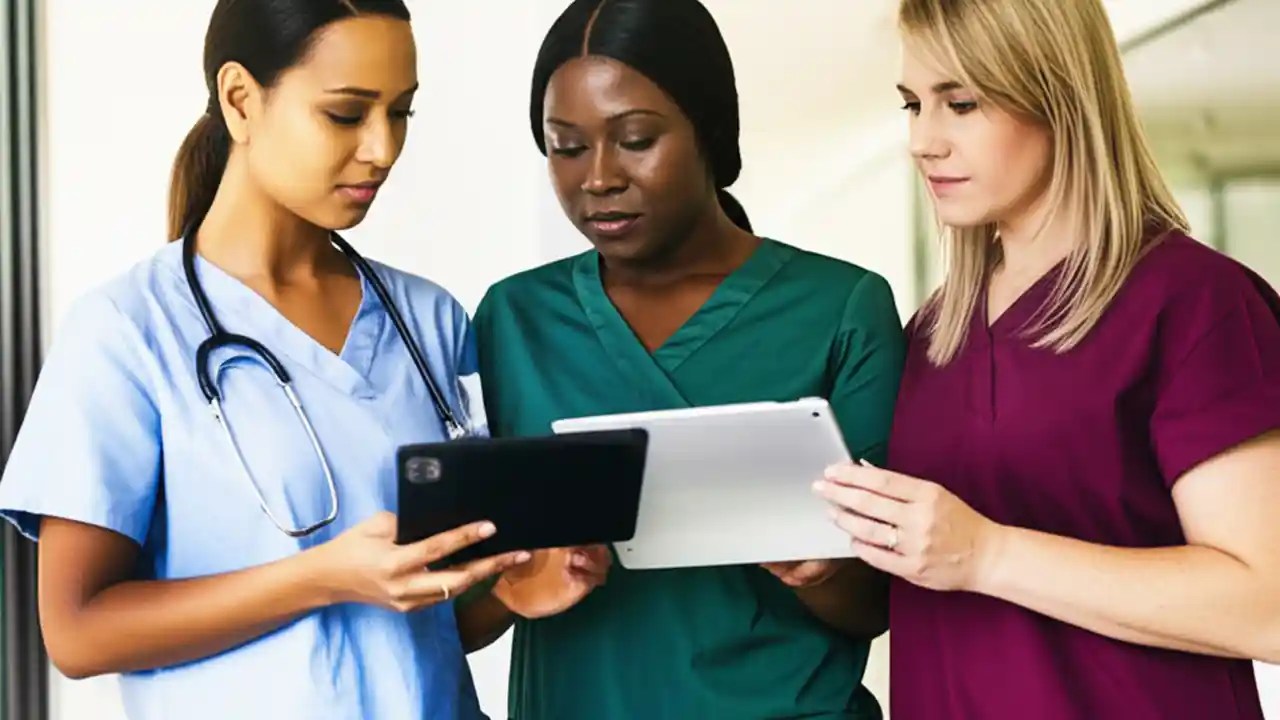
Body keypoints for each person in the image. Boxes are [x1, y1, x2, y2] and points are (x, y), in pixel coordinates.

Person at [0, 1, 531, 718]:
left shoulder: (429, 320)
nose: (382, 148)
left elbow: (421, 629)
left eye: (400, 112)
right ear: (241, 100)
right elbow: (77, 632)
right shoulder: (128, 331)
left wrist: (508, 597)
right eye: (346, 114)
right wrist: (320, 577)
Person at [815, 0, 1280, 718]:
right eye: (913, 104)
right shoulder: (934, 333)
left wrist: (989, 555)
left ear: (1058, 95)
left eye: (960, 103)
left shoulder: (1195, 303)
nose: (923, 140)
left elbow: (1266, 606)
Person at [458, 1, 907, 718]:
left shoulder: (840, 308)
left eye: (635, 139)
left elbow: (882, 603)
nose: (598, 177)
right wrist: (514, 590)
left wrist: (821, 569)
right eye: (566, 147)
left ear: (709, 131)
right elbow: (455, 606)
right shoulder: (513, 321)